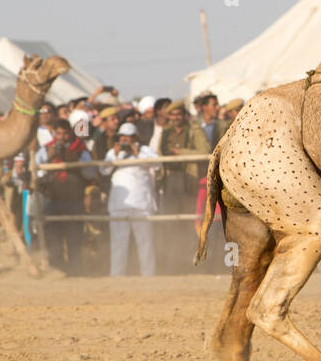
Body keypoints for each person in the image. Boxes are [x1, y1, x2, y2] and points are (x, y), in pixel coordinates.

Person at [35, 119, 95, 275]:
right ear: (55, 133)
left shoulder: (81, 150)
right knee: (53, 238)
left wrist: (75, 160)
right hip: (52, 199)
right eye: (59, 133)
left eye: (65, 133)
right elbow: (36, 171)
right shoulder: (46, 149)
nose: (62, 137)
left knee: (74, 238)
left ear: (70, 134)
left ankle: (75, 271)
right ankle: (58, 271)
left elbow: (90, 173)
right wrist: (48, 158)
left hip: (73, 200)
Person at [156, 101, 210, 272]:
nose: (176, 118)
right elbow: (159, 154)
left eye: (178, 114)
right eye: (172, 115)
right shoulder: (166, 133)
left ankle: (192, 264)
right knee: (170, 224)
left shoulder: (193, 130)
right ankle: (172, 264)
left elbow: (204, 150)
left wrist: (181, 153)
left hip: (188, 181)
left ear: (184, 115)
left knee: (190, 223)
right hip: (170, 182)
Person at [100, 122, 158, 276]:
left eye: (129, 137)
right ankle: (117, 275)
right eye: (122, 137)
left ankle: (148, 274)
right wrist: (116, 154)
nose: (125, 140)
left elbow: (158, 164)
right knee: (118, 242)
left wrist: (137, 152)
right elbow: (103, 170)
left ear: (135, 137)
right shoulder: (114, 152)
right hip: (119, 204)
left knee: (145, 242)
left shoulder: (144, 150)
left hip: (141, 204)